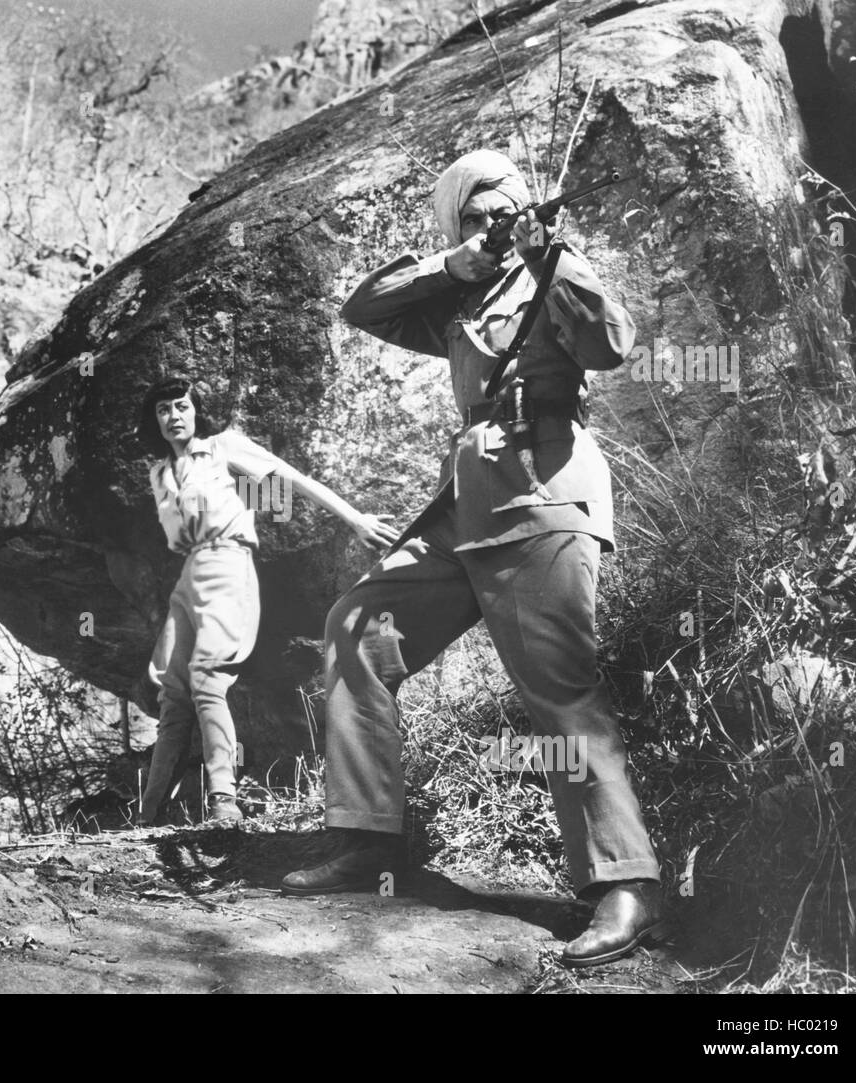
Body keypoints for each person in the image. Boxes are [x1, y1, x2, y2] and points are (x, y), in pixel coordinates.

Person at [279, 150, 667, 967]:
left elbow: (611, 343)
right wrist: (454, 261)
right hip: (467, 506)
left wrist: (547, 255)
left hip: (540, 496)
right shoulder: (460, 293)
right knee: (357, 624)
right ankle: (368, 839)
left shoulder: (555, 271)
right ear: (461, 223)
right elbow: (366, 306)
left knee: (560, 687)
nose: (499, 220)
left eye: (508, 208)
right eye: (480, 213)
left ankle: (624, 884)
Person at [136, 375, 399, 825]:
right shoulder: (158, 473)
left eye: (181, 405)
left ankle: (224, 802)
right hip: (189, 576)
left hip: (229, 565)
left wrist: (356, 519)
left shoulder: (223, 448)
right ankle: (148, 814)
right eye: (163, 409)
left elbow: (291, 479)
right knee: (172, 693)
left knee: (206, 680)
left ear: (196, 410)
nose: (173, 416)